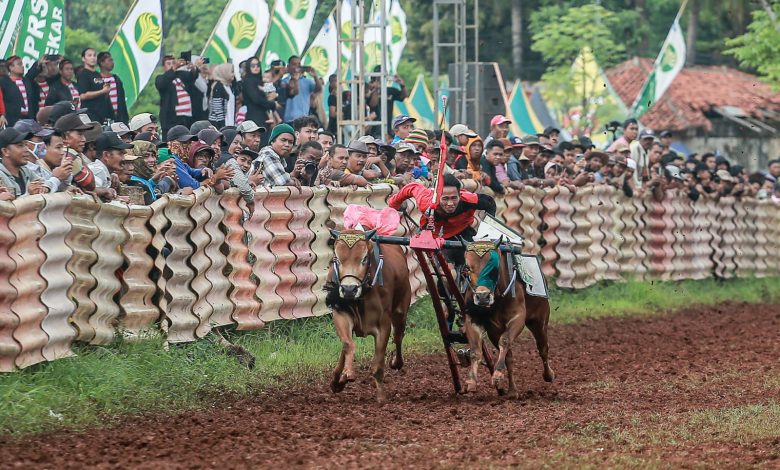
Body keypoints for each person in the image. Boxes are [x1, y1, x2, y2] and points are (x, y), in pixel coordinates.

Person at [156, 55, 198, 138]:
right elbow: (161, 84)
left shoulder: (181, 75)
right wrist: (174, 68)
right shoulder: (161, 78)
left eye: (173, 63)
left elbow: (192, 76)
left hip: (186, 115)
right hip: (172, 117)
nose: (172, 65)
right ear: (164, 66)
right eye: (169, 63)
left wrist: (193, 67)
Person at [0, 128, 47, 197]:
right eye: (20, 145)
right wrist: (28, 194)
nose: (27, 149)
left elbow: (43, 184)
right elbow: (9, 206)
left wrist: (48, 186)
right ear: (5, 151)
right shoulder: (1, 176)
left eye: (26, 145)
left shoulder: (25, 170)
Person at [89, 132, 133, 200]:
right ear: (106, 155)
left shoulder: (105, 172)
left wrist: (118, 198)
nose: (123, 159)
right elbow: (90, 193)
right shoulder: (98, 170)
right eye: (120, 154)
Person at [253, 123, 299, 188]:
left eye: (290, 142)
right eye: (283, 140)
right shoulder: (268, 154)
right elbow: (283, 182)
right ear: (272, 141)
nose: (287, 144)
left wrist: (293, 176)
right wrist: (293, 181)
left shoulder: (280, 157)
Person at [77, 48, 113, 124]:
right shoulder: (83, 74)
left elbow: (101, 93)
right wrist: (102, 91)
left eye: (94, 55)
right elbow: (83, 95)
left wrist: (106, 91)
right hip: (89, 113)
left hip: (101, 114)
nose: (93, 58)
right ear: (83, 59)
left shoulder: (97, 74)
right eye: (89, 55)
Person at [282, 55, 322, 122]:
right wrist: (295, 79)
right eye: (294, 64)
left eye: (299, 64)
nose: (297, 67)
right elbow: (293, 92)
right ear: (288, 67)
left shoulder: (307, 81)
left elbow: (318, 89)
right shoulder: (284, 81)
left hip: (304, 118)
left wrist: (315, 76)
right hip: (289, 120)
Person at [0, 55, 37, 126]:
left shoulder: (26, 81)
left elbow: (33, 72)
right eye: (19, 64)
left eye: (22, 64)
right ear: (11, 68)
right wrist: (2, 114)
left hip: (29, 119)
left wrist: (39, 63)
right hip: (12, 120)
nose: (22, 66)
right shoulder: (4, 82)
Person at [241, 57, 277, 128]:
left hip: (264, 118)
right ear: (248, 67)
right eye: (253, 66)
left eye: (258, 65)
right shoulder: (249, 81)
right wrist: (272, 104)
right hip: (255, 118)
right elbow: (256, 99)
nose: (256, 67)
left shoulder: (260, 80)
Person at [97, 51, 129, 124]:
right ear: (102, 63)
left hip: (119, 116)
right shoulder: (98, 79)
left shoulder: (116, 79)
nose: (112, 62)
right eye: (109, 60)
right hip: (104, 117)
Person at [208, 64, 238, 129]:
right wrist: (222, 126)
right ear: (225, 72)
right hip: (220, 124)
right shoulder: (218, 86)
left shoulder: (228, 86)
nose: (233, 74)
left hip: (229, 122)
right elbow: (217, 109)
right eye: (232, 72)